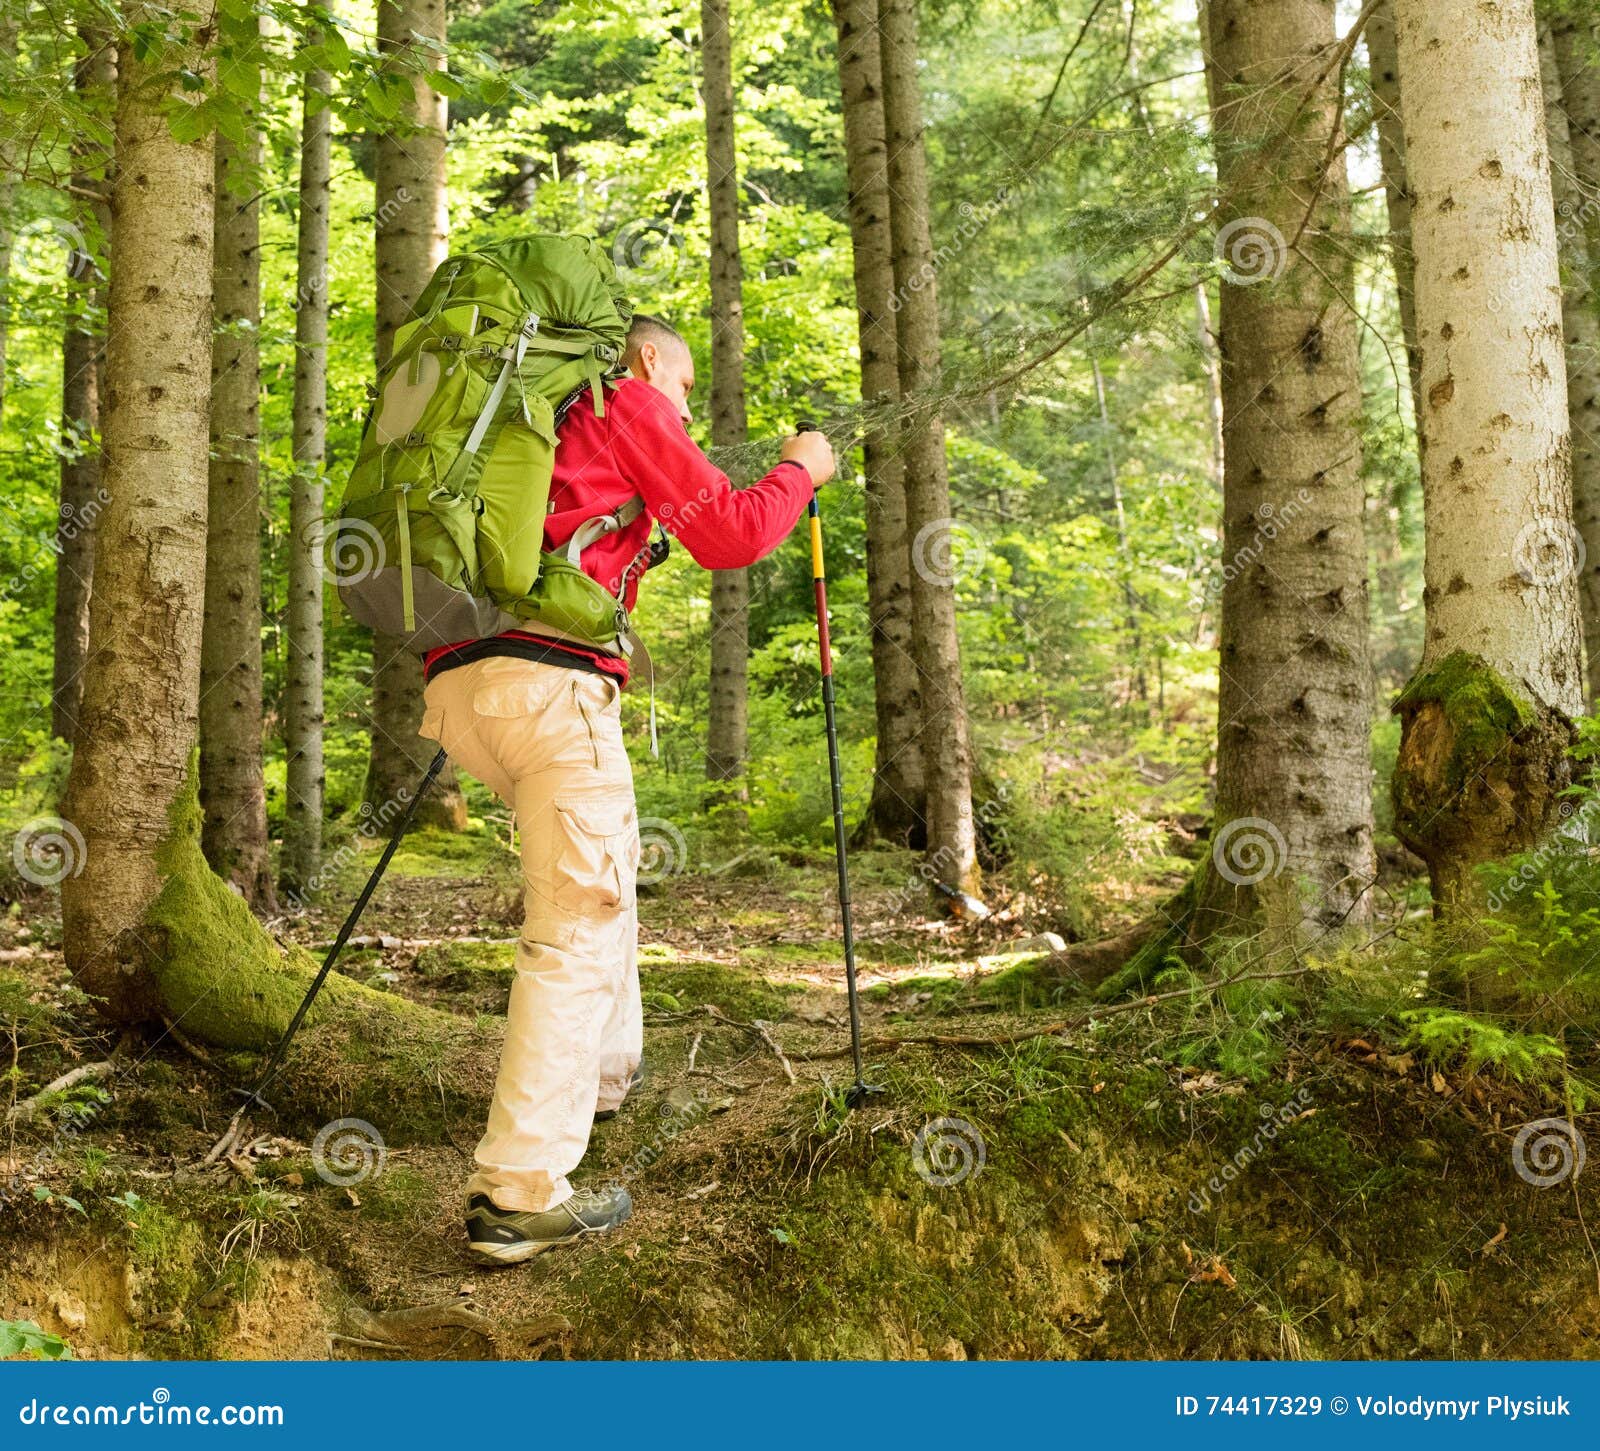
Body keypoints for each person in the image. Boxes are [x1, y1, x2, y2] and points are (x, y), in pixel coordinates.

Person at [418, 313, 836, 1264]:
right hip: (549, 682)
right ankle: (518, 1194)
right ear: (651, 359)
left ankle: (601, 1082)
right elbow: (731, 532)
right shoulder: (624, 399)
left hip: (463, 684)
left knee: (604, 887)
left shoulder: (527, 420)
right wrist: (802, 469)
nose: (682, 407)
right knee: (577, 918)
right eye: (687, 386)